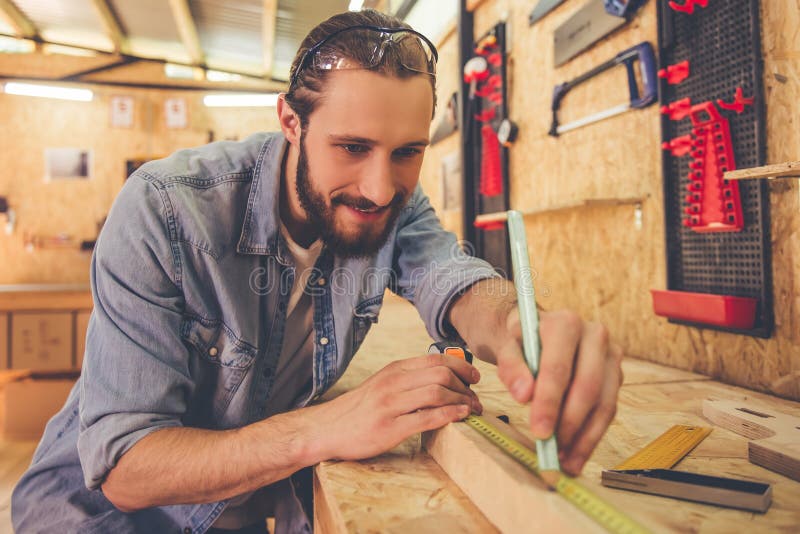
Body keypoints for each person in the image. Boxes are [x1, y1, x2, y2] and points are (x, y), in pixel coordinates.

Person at [12, 9, 622, 534]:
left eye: (407, 152)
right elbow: (125, 468)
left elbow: (453, 279)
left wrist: (518, 325)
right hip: (99, 518)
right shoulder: (165, 210)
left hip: (235, 512)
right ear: (290, 122)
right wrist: (327, 427)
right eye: (353, 148)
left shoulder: (389, 204)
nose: (380, 188)